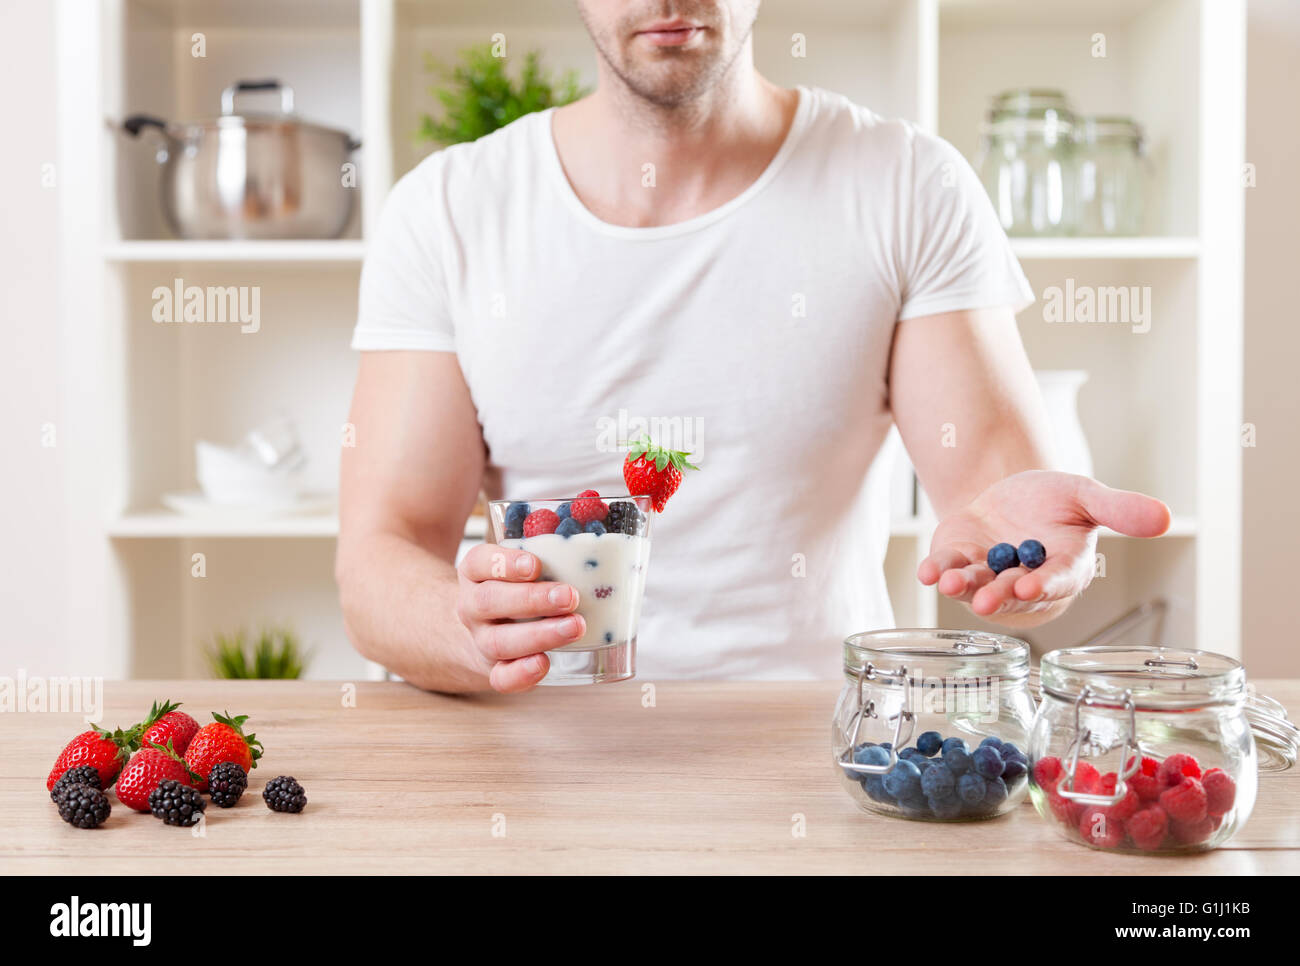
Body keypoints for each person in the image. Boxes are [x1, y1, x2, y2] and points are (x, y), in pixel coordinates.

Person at [336, 1, 1170, 692]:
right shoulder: (448, 212)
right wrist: (466, 627)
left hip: (817, 767)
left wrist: (1021, 567)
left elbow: (1000, 505)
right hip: (533, 774)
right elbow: (382, 557)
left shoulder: (906, 183)